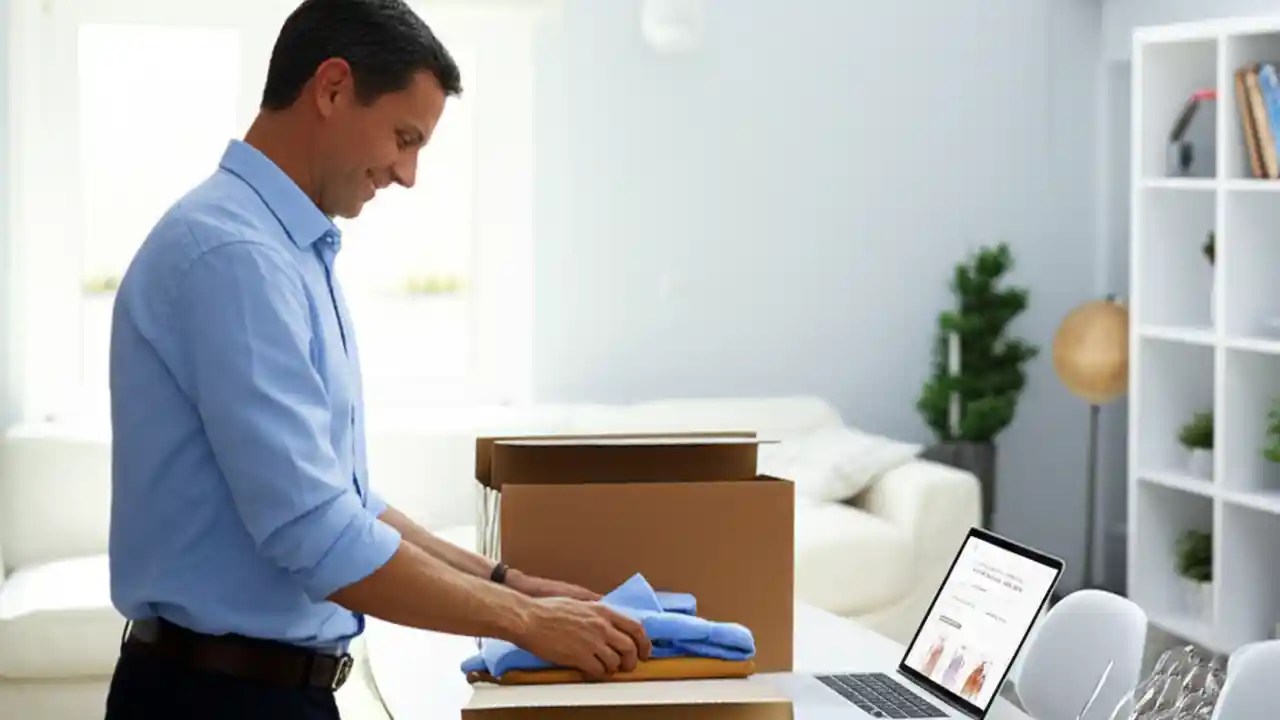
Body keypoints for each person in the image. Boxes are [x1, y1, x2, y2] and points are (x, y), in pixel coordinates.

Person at [104, 1, 650, 717]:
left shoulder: (288, 252)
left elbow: (344, 504)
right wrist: (527, 624)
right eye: (404, 137)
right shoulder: (234, 257)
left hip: (262, 689)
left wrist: (507, 582)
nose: (408, 172)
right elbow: (313, 534)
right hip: (217, 698)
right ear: (331, 89)